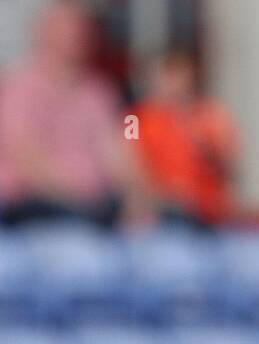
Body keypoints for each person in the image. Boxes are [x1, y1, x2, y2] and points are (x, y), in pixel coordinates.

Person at [0, 1, 134, 226]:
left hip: (98, 210)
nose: (77, 37)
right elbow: (27, 158)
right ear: (45, 33)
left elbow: (121, 151)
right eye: (69, 29)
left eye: (83, 30)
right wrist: (80, 199)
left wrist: (136, 197)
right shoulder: (19, 88)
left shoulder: (101, 93)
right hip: (34, 207)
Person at [132, 49, 238, 226]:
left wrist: (194, 134)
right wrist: (166, 196)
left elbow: (227, 168)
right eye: (168, 76)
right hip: (161, 214)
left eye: (180, 76)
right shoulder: (136, 119)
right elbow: (131, 170)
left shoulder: (210, 116)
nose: (175, 84)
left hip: (209, 215)